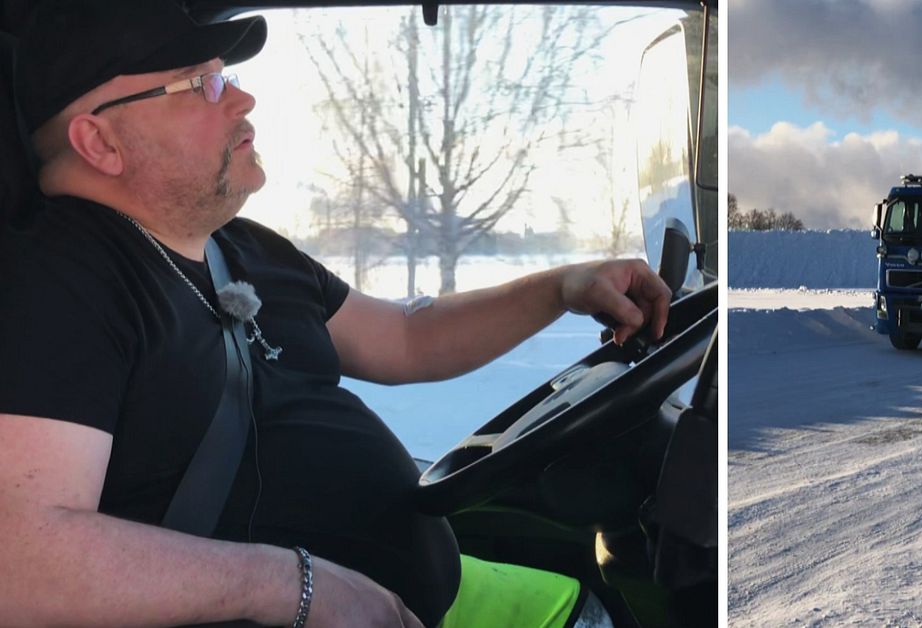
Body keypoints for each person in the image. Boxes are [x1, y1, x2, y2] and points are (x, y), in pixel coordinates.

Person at [0, 1, 671, 626]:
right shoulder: (54, 282)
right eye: (198, 84)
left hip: (410, 592)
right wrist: (295, 587)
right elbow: (20, 561)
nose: (241, 96)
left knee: (583, 602)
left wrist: (563, 287)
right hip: (298, 605)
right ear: (99, 142)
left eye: (223, 74)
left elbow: (405, 339)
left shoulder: (239, 247)